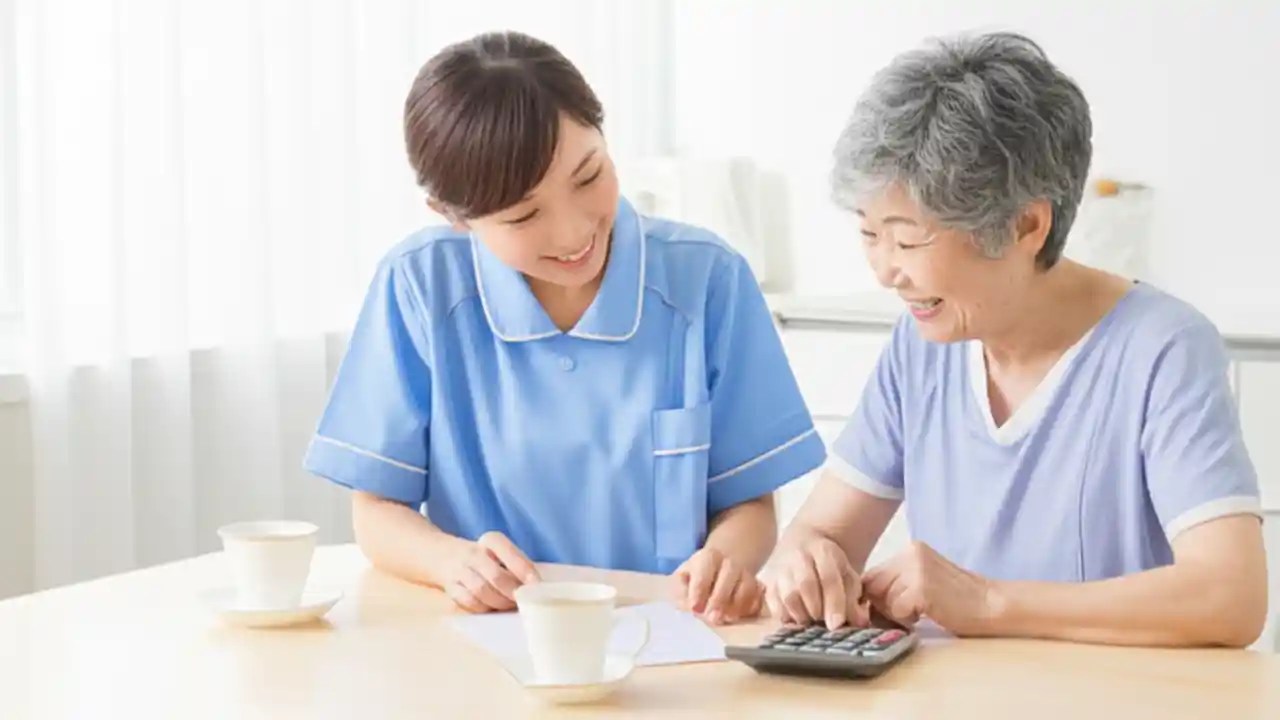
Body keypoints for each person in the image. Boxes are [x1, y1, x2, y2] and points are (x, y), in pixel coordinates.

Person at [763, 31, 1268, 647]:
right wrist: (804, 563)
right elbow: (822, 536)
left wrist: (987, 602)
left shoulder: (1164, 348)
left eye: (908, 237)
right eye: (870, 234)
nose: (886, 271)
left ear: (1026, 225)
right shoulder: (922, 345)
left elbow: (1232, 596)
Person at [303, 31, 824, 622]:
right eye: (524, 215)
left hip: (666, 644)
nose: (574, 232)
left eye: (588, 175)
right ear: (453, 217)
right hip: (490, 642)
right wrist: (451, 562)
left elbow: (749, 503)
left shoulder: (708, 279)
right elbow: (375, 509)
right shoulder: (419, 287)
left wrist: (728, 559)